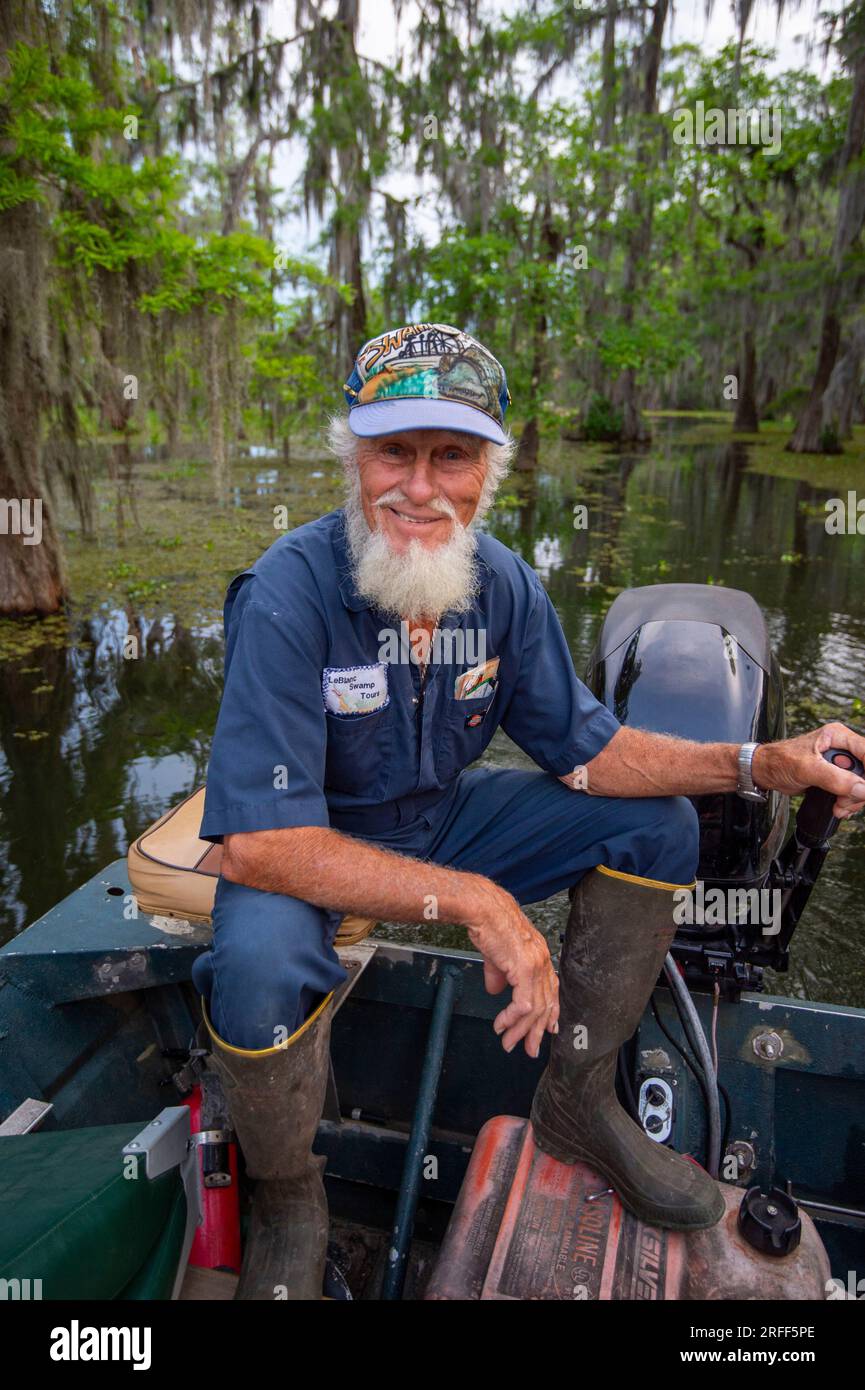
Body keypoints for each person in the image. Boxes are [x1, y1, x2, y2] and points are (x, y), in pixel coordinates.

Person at [191, 321, 865, 1299]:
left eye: (451, 455)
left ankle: (578, 1100)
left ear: (487, 471)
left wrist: (759, 760)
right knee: (251, 967)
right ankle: (290, 1194)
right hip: (311, 842)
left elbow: (593, 754)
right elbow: (254, 843)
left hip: (440, 819)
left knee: (659, 823)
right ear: (353, 455)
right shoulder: (288, 596)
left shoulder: (502, 588)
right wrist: (477, 903)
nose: (418, 487)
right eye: (393, 451)